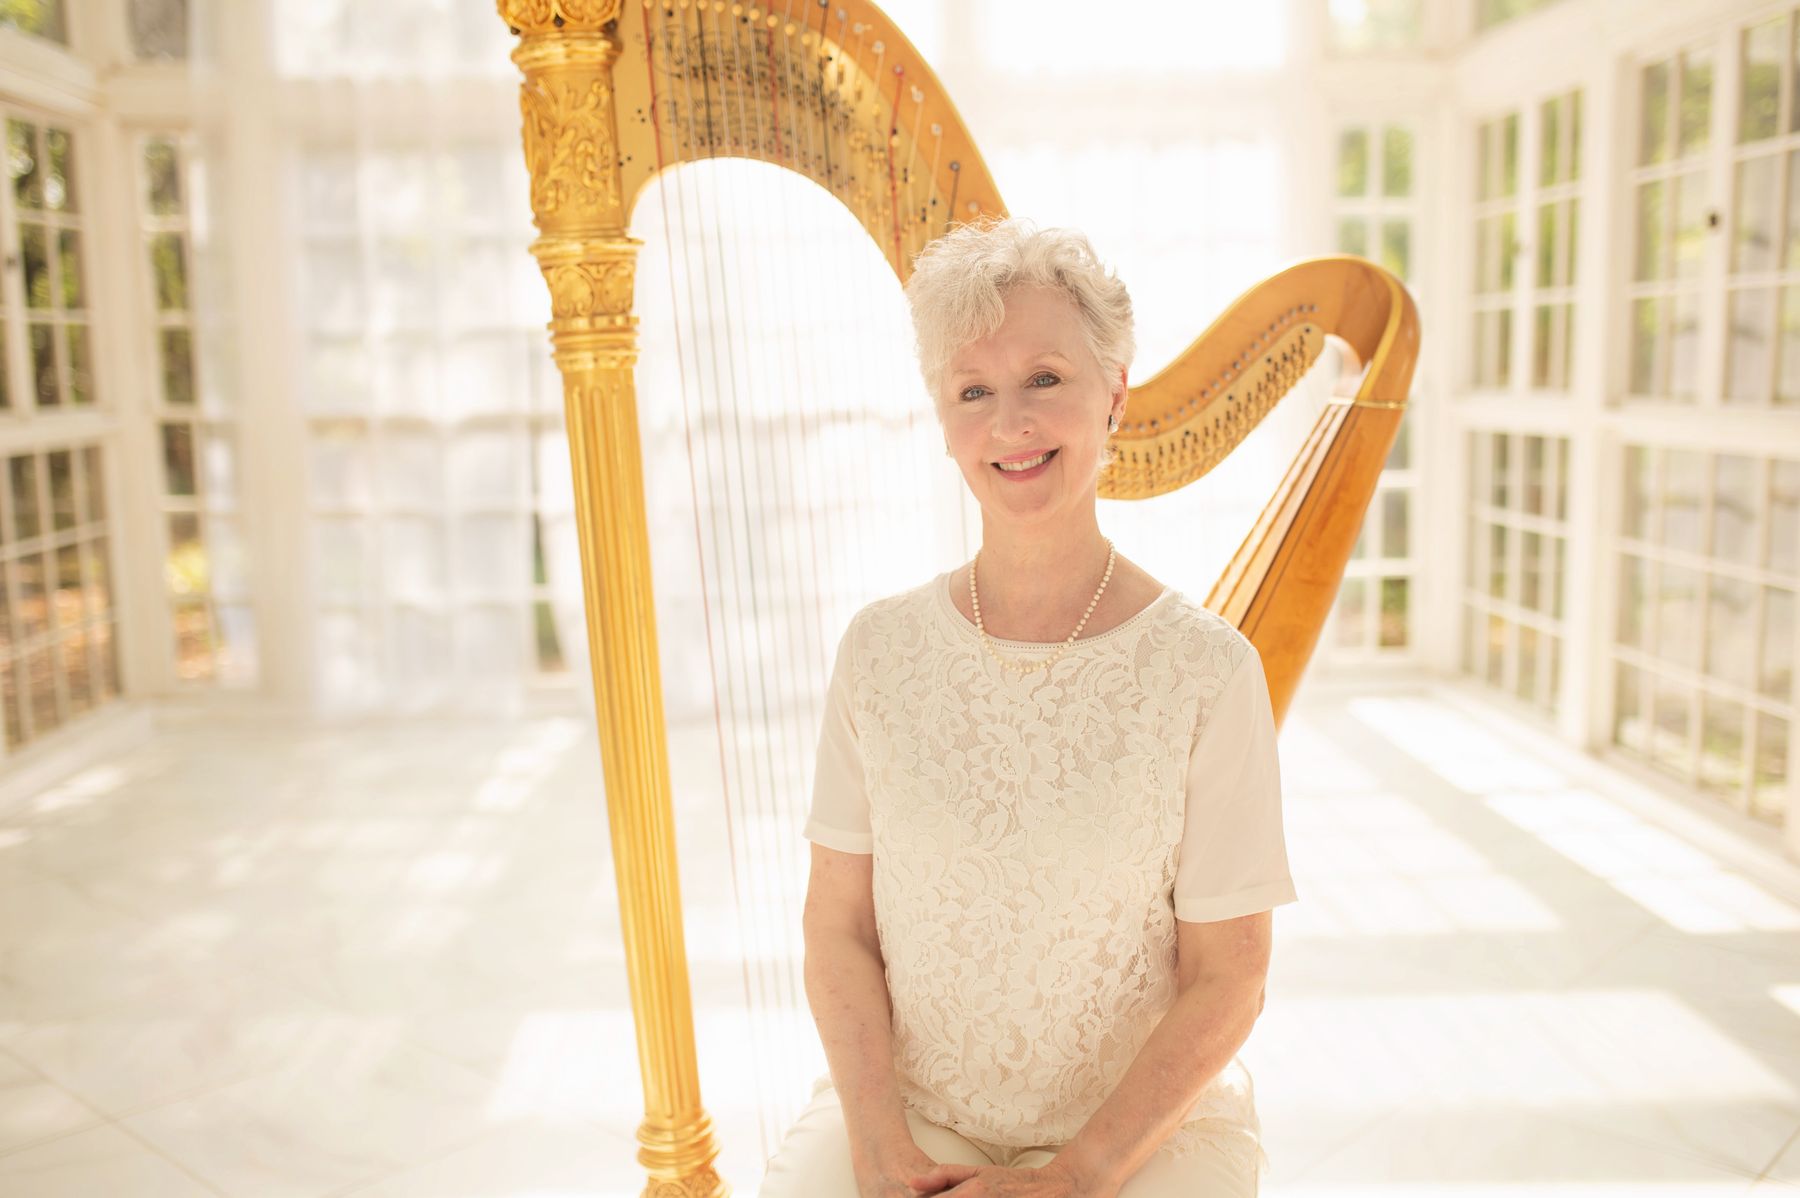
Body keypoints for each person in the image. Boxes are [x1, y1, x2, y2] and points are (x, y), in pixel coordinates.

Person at [760, 218, 1298, 1198]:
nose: (1010, 424)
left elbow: (1232, 974)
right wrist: (879, 1148)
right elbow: (836, 925)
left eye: (1045, 378)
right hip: (910, 1113)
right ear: (943, 417)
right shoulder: (879, 653)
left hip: (1140, 1135)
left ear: (1116, 395)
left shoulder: (1208, 673)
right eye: (974, 391)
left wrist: (1077, 1177)